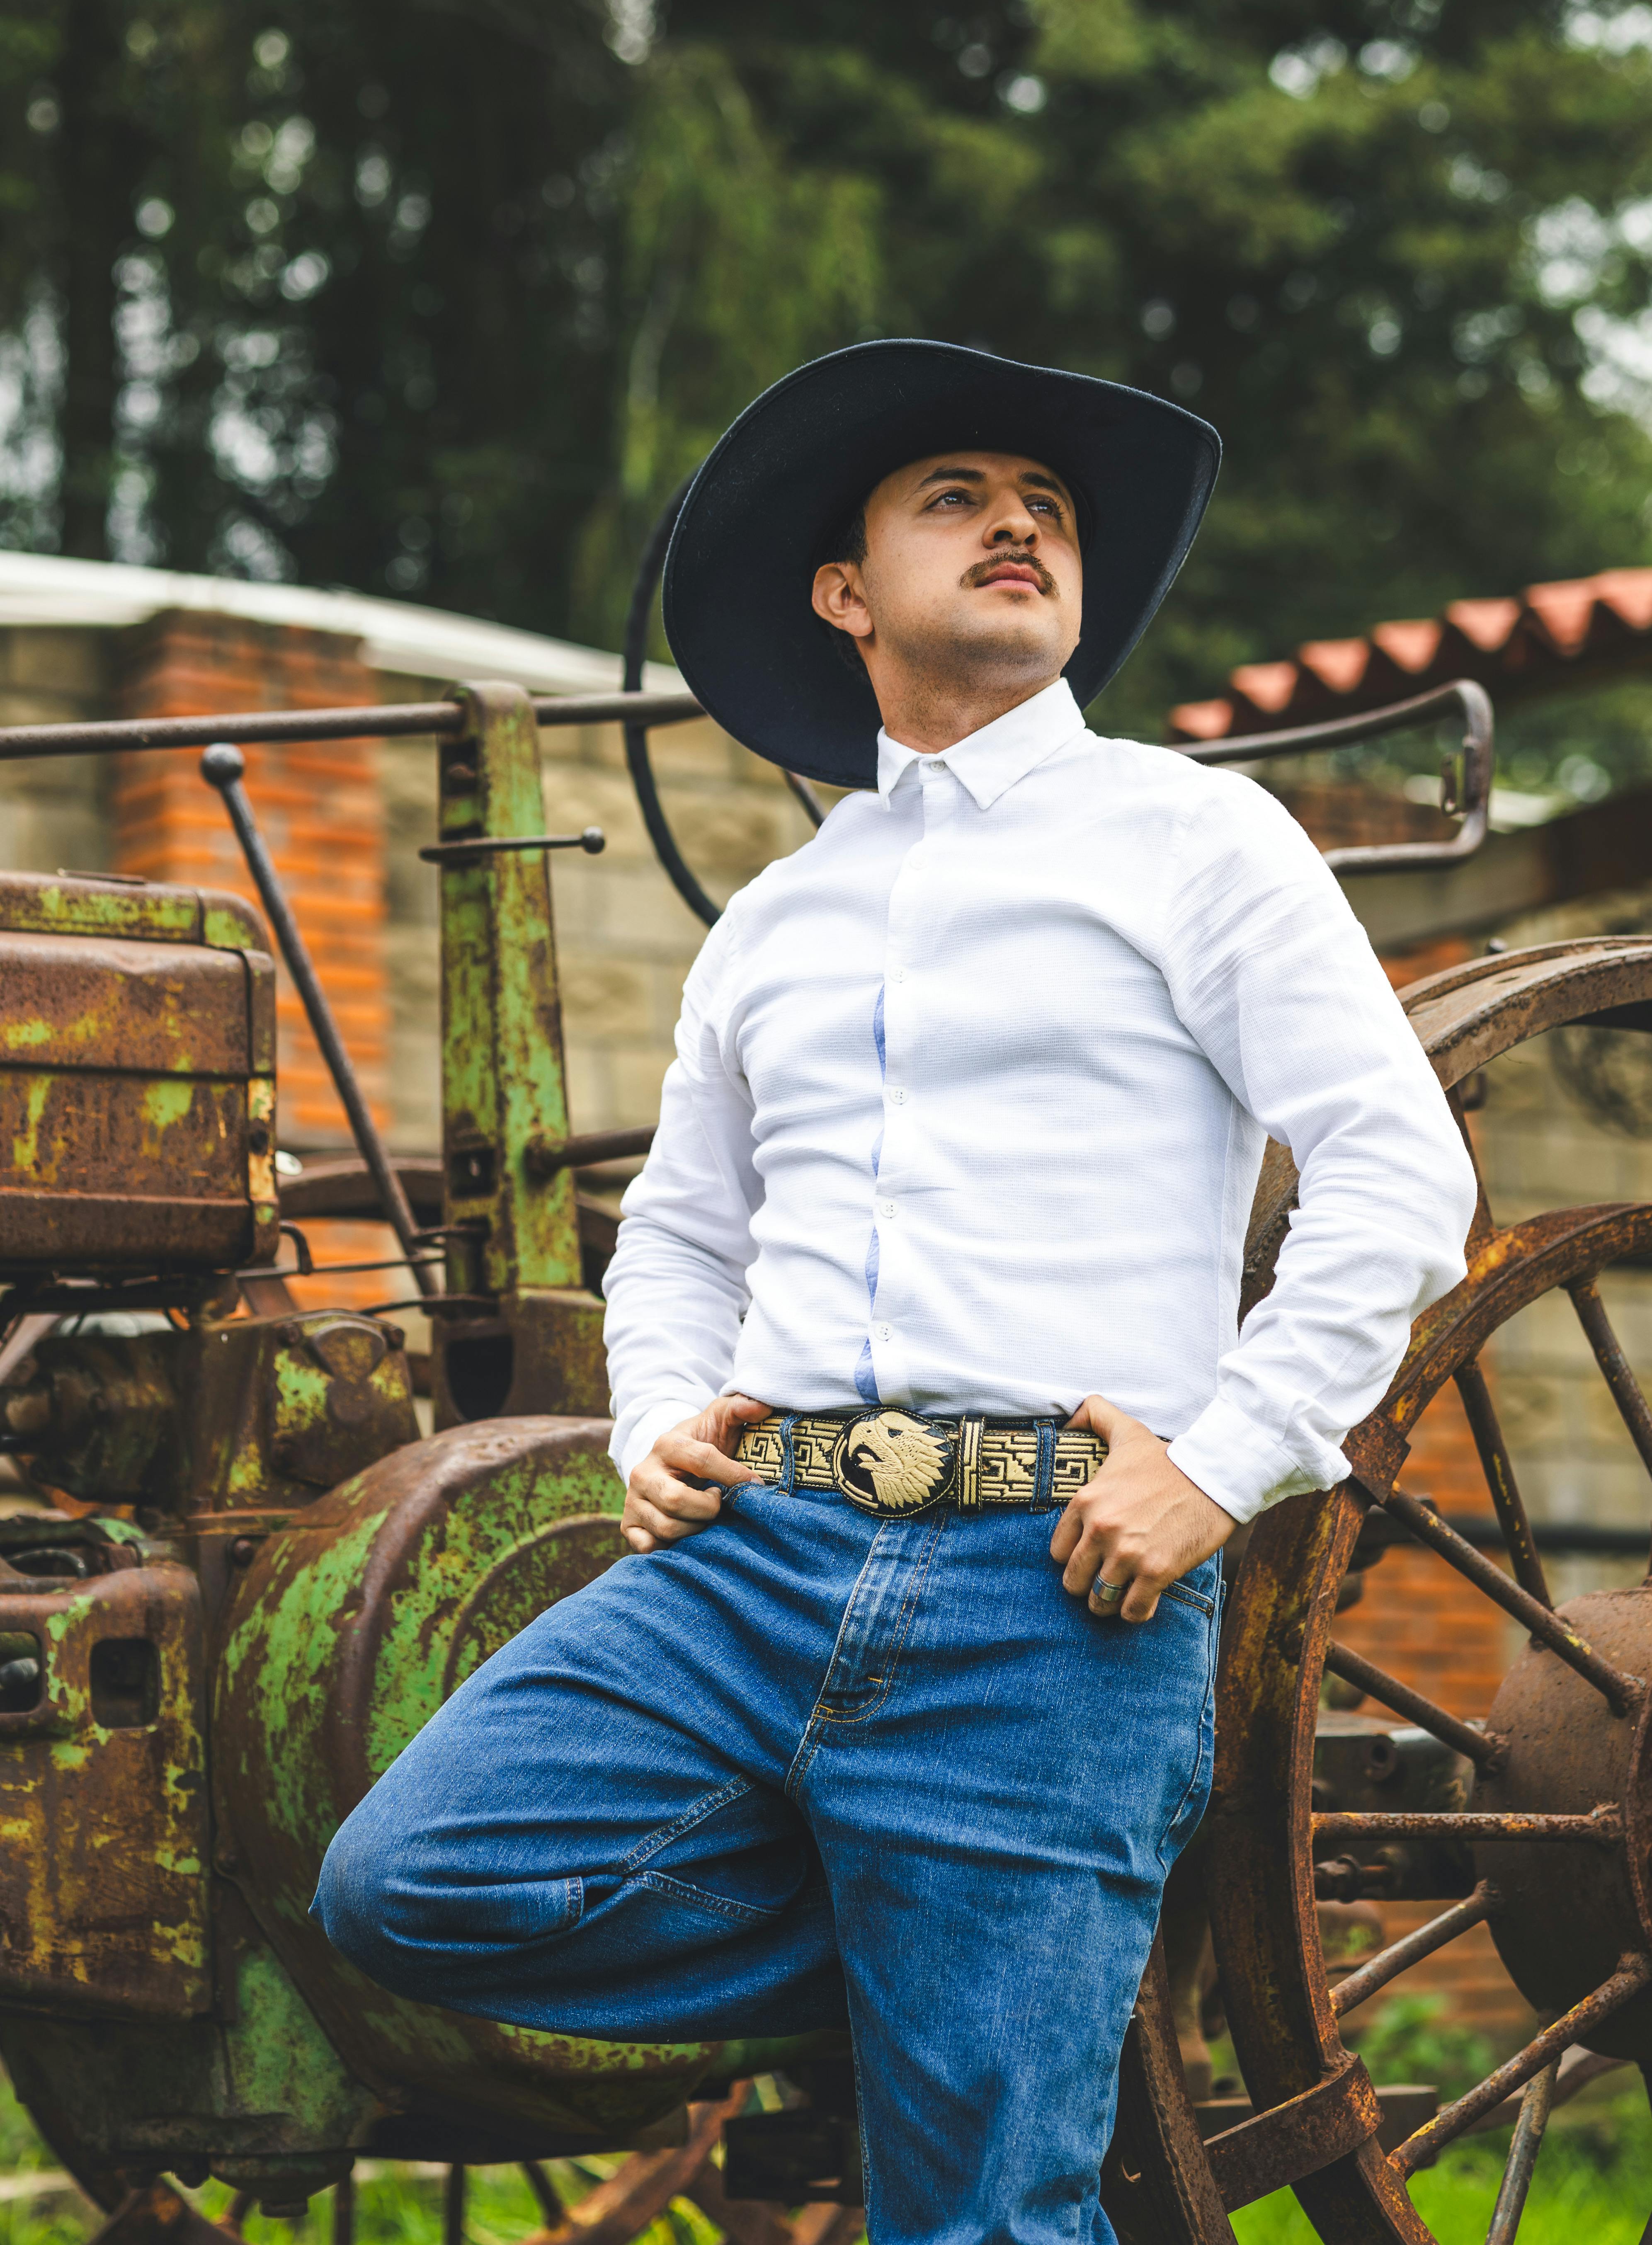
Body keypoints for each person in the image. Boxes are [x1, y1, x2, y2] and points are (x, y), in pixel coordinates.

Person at [314, 339, 1477, 2245]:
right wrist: (655, 1411)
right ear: (844, 593)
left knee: (983, 2223)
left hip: (1048, 1590)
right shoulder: (774, 921)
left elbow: (1399, 1168)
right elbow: (680, 1233)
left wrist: (1228, 1456)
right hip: (748, 1567)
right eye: (956, 495)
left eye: (1049, 506)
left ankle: (978, 1967)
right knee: (409, 1882)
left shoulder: (1196, 841)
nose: (1020, 520)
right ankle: (928, 1943)